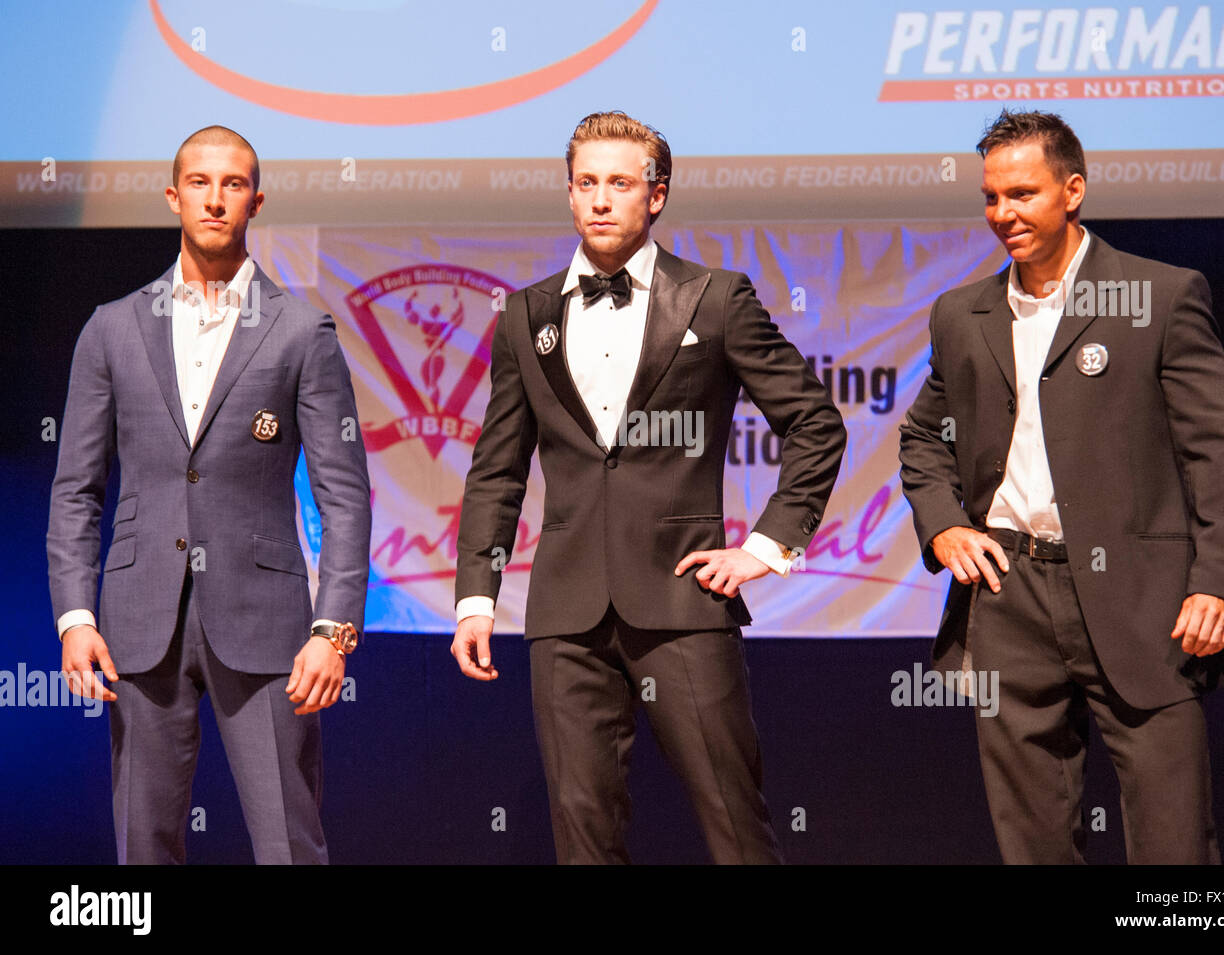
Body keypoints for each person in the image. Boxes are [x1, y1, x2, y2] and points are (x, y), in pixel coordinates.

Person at [451, 111, 846, 863]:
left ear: (656, 195)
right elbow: (497, 467)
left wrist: (766, 548)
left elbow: (815, 423)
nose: (601, 199)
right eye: (587, 183)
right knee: (582, 834)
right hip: (565, 615)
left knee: (735, 824)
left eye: (621, 184)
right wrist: (477, 595)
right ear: (569, 194)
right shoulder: (523, 314)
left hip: (684, 602)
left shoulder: (716, 299)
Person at [898, 109, 1224, 864]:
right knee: (1030, 843)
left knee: (1175, 843)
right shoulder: (962, 314)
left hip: (1145, 599)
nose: (1004, 214)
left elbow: (1219, 453)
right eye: (992, 197)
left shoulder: (1160, 296)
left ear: (1073, 190)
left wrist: (1219, 581)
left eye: (1022, 194)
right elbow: (923, 434)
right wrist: (942, 526)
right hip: (1008, 595)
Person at [47, 126, 372, 864]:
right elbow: (75, 490)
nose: (215, 198)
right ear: (173, 195)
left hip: (267, 628)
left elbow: (345, 495)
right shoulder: (111, 329)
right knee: (143, 848)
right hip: (138, 622)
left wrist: (334, 631)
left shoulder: (300, 330)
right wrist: (74, 615)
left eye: (233, 184)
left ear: (256, 200)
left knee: (290, 843)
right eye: (200, 181)